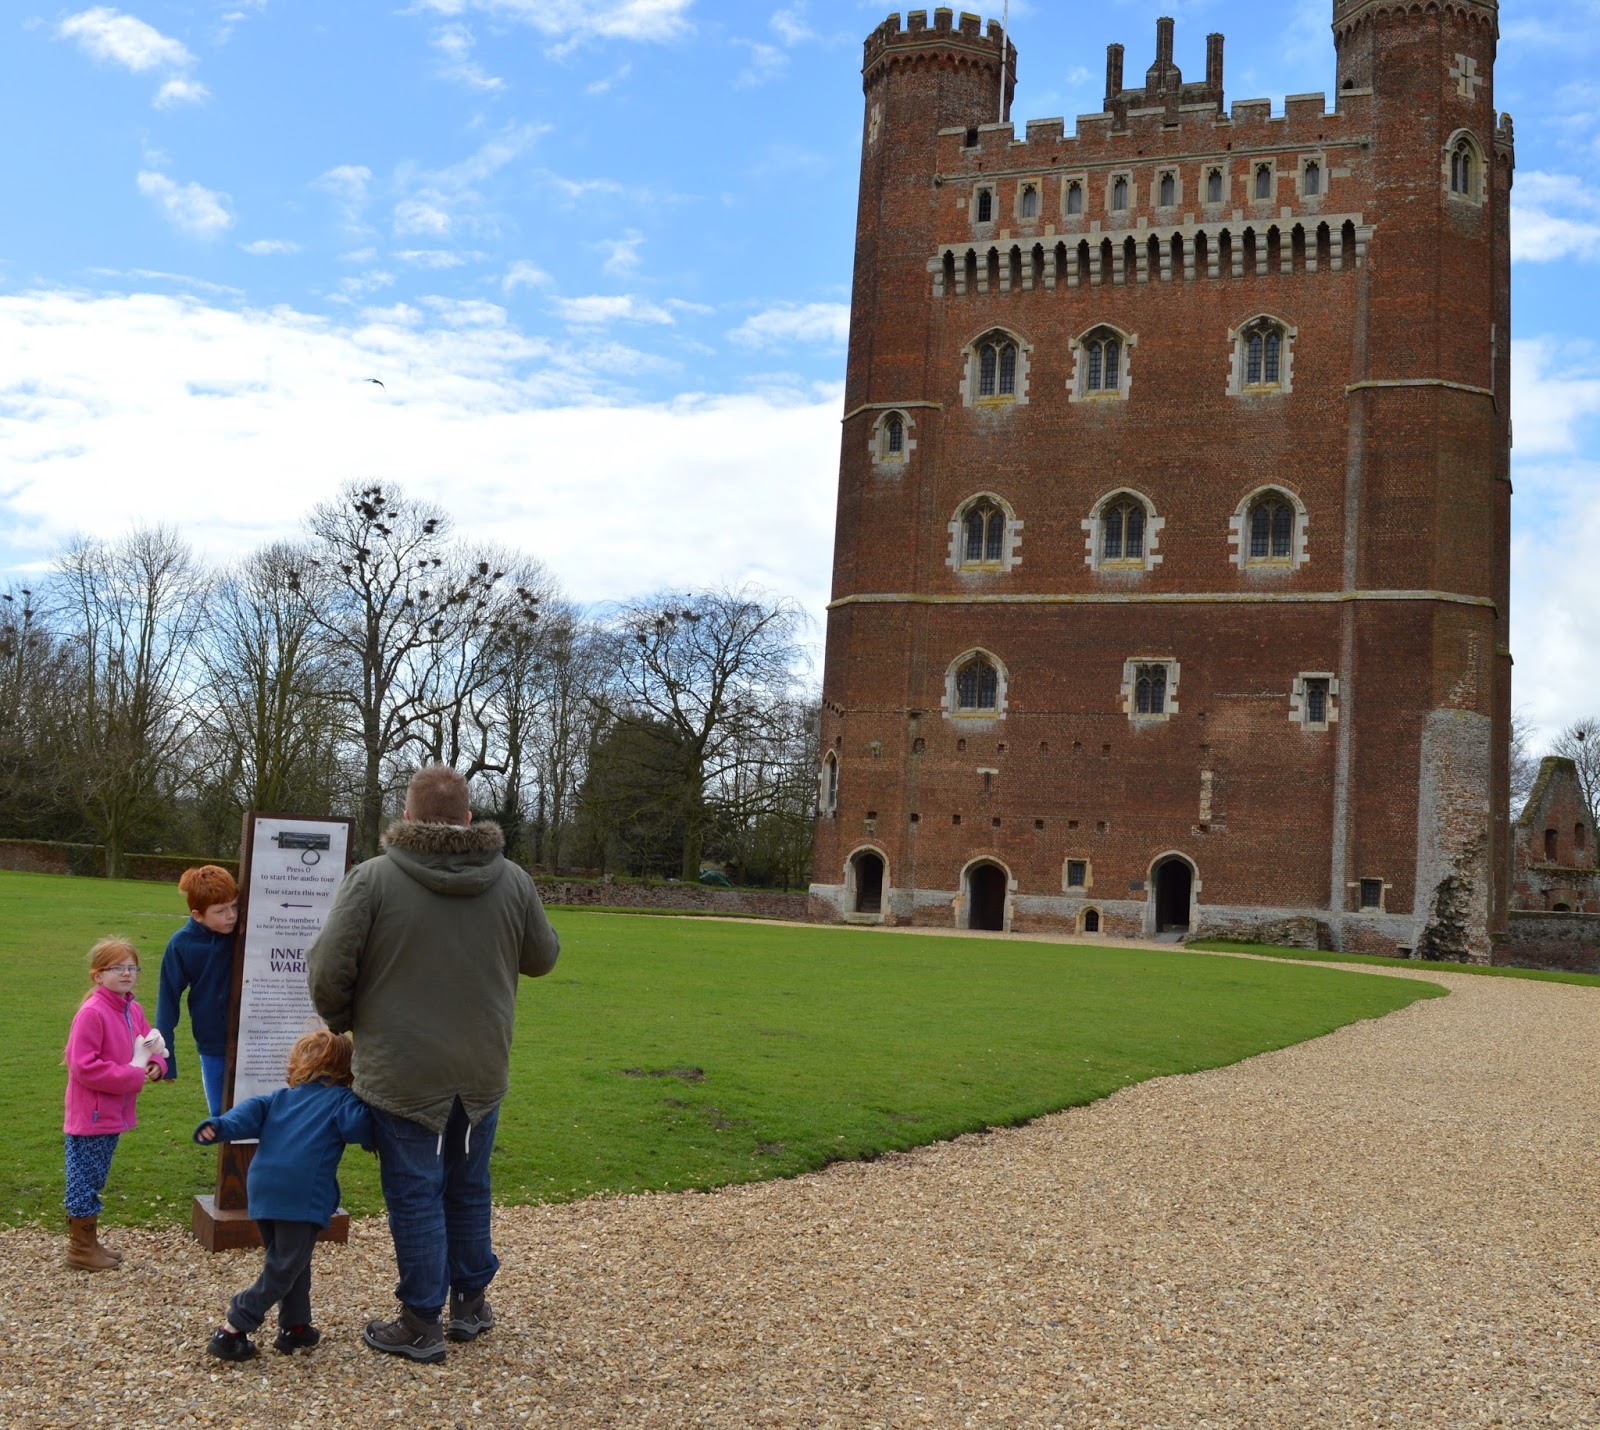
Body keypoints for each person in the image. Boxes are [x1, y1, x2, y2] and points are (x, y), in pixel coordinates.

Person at [307, 764, 560, 1364]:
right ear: (469, 818)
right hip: (480, 1066)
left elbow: (325, 975)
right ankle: (469, 1305)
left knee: (415, 1192)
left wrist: (347, 1022)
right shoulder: (513, 880)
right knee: (469, 1186)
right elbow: (543, 957)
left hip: (402, 1068)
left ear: (409, 815)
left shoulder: (371, 880)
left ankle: (421, 1320)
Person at [194, 1029, 375, 1362]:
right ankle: (234, 1328)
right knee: (284, 1267)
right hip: (300, 1196)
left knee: (290, 1261)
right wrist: (370, 1100)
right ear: (349, 1069)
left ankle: (296, 1326)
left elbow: (247, 1114)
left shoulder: (280, 1098)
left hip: (262, 1192)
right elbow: (359, 1129)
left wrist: (219, 1126)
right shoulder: (341, 1100)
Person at [63, 938, 168, 1271]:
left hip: (112, 1114)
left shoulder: (131, 1007)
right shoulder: (92, 1013)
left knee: (95, 1176)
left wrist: (156, 1066)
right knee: (83, 1179)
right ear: (97, 975)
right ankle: (80, 1249)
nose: (127, 973)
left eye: (132, 967)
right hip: (90, 1114)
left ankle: (90, 1242)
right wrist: (132, 1076)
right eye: (117, 968)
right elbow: (83, 1066)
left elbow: (149, 1044)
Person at [155, 865, 239, 1116]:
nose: (231, 915)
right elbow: (167, 1002)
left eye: (234, 906)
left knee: (258, 1113)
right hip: (212, 1043)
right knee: (219, 1113)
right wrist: (165, 1058)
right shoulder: (181, 945)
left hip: (253, 1040)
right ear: (198, 914)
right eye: (221, 911)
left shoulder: (245, 934)